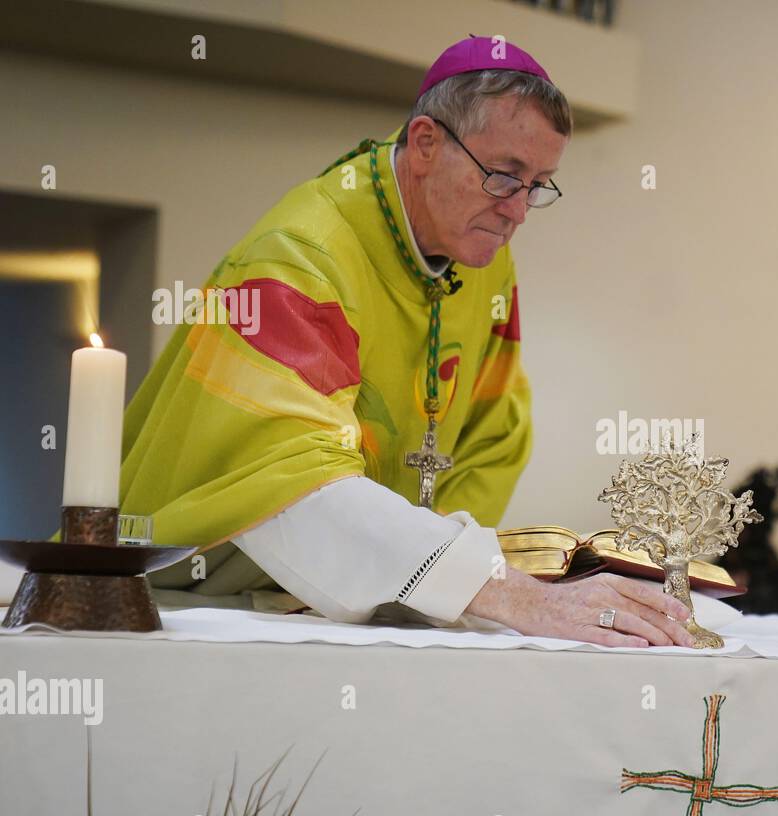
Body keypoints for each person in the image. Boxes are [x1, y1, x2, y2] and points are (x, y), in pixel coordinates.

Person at [120, 37, 693, 648]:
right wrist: (501, 592)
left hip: (363, 602)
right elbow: (289, 484)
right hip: (199, 603)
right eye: (504, 176)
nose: (519, 211)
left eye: (539, 184)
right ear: (425, 144)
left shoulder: (483, 261)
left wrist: (436, 577)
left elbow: (493, 437)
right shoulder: (297, 259)